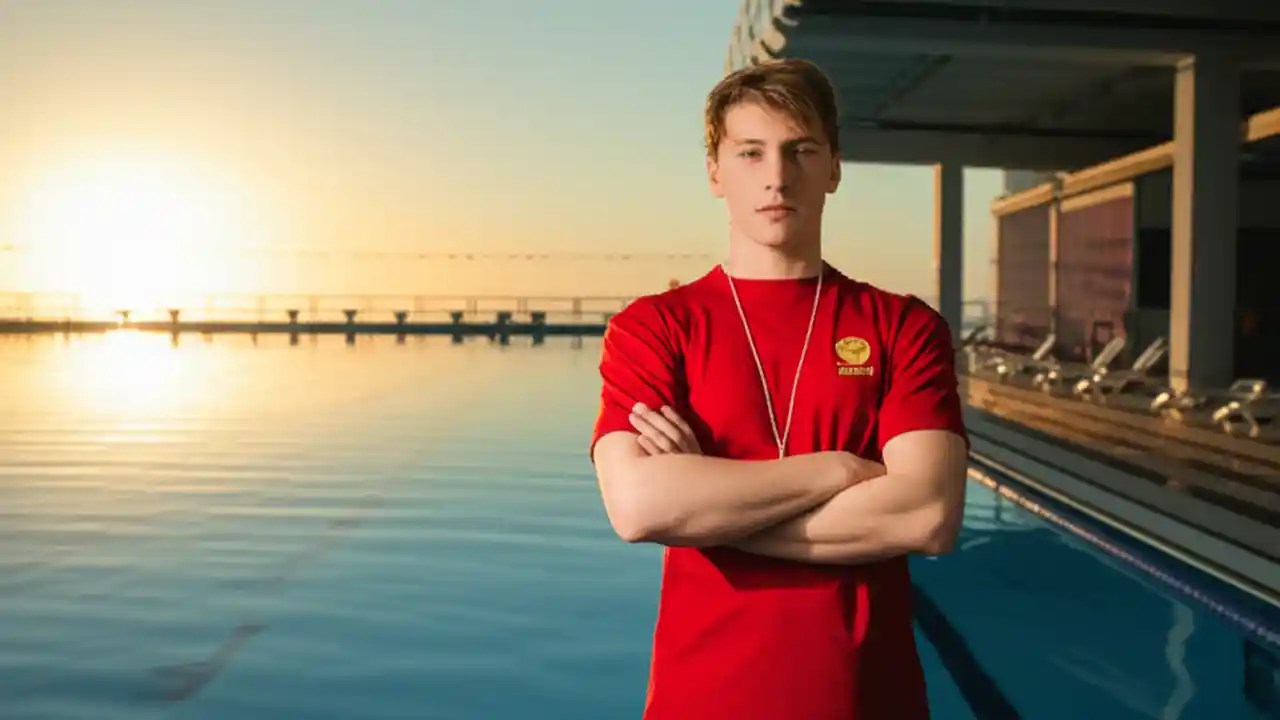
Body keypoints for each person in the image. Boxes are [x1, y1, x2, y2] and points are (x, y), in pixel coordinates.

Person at [588, 58, 969, 720]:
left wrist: (709, 508)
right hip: (701, 700)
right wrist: (842, 469)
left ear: (834, 167)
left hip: (866, 701)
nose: (776, 175)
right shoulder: (653, 327)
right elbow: (640, 507)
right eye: (751, 152)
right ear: (715, 171)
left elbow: (927, 514)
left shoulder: (902, 326)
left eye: (801, 150)